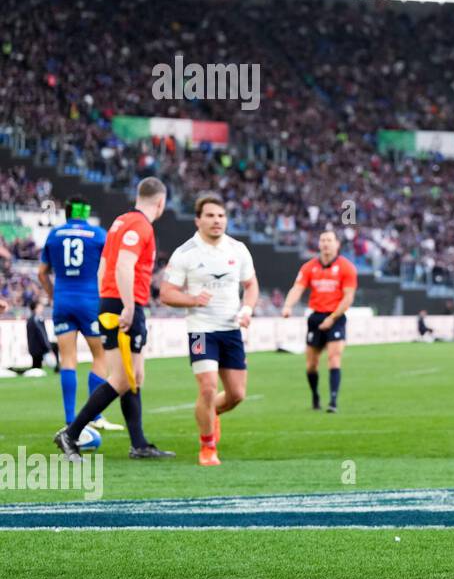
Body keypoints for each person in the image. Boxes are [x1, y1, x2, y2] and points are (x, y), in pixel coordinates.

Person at [55, 177, 175, 461]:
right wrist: (128, 306)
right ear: (161, 202)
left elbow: (104, 266)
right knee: (121, 379)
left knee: (135, 376)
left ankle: (139, 444)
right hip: (123, 304)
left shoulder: (120, 222)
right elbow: (123, 265)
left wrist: (106, 298)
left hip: (111, 301)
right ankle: (71, 433)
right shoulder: (140, 226)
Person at [159, 194, 258, 466]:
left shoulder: (238, 250)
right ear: (198, 220)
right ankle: (207, 447)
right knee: (207, 387)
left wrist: (247, 310)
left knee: (237, 395)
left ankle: (209, 414)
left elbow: (251, 286)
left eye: (221, 215)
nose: (217, 220)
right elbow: (166, 293)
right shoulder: (185, 253)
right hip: (201, 330)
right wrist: (192, 300)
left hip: (231, 329)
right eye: (211, 215)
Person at [38, 198, 120, 430]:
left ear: (66, 213)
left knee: (68, 359)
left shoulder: (54, 234)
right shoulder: (98, 234)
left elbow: (42, 273)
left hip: (63, 301)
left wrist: (54, 295)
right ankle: (94, 417)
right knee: (101, 357)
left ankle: (69, 419)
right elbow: (110, 267)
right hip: (90, 301)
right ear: (85, 212)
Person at [281, 230, 356, 413]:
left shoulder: (347, 268)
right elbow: (297, 288)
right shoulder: (309, 267)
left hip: (336, 317)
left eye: (329, 240)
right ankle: (315, 395)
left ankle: (333, 401)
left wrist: (332, 318)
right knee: (311, 364)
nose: (325, 243)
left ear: (337, 244)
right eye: (322, 240)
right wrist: (288, 305)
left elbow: (348, 298)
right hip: (315, 318)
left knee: (334, 358)